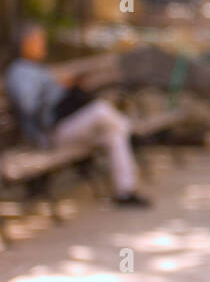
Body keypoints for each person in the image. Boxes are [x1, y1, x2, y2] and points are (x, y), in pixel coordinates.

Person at [4, 23, 150, 206]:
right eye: (37, 41)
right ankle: (132, 131)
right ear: (24, 44)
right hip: (50, 133)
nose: (42, 45)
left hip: (65, 125)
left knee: (113, 134)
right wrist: (55, 90)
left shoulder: (37, 68)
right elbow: (29, 106)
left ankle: (126, 191)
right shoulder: (19, 72)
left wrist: (63, 86)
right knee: (101, 111)